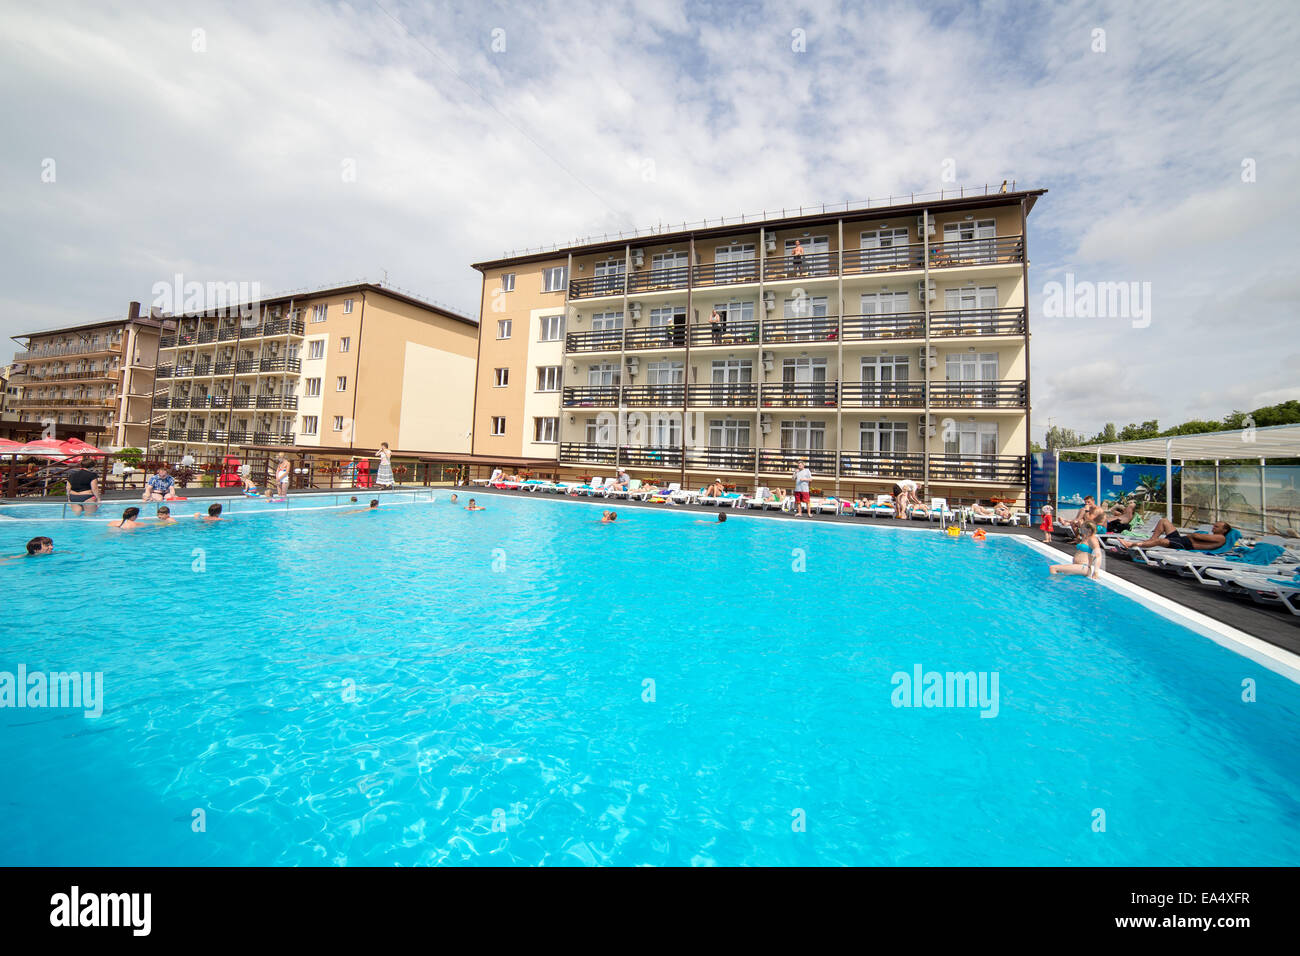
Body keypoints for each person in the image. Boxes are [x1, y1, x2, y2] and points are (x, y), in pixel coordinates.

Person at [1118, 519, 1236, 553]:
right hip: (1182, 539)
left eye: (1217, 527)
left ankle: (1132, 544)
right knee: (1164, 521)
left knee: (1160, 541)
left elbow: (1197, 537)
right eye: (1214, 525)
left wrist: (1196, 534)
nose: (1213, 527)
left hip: (1186, 544)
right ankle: (1150, 541)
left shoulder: (1221, 538)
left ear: (1224, 530)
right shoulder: (1216, 535)